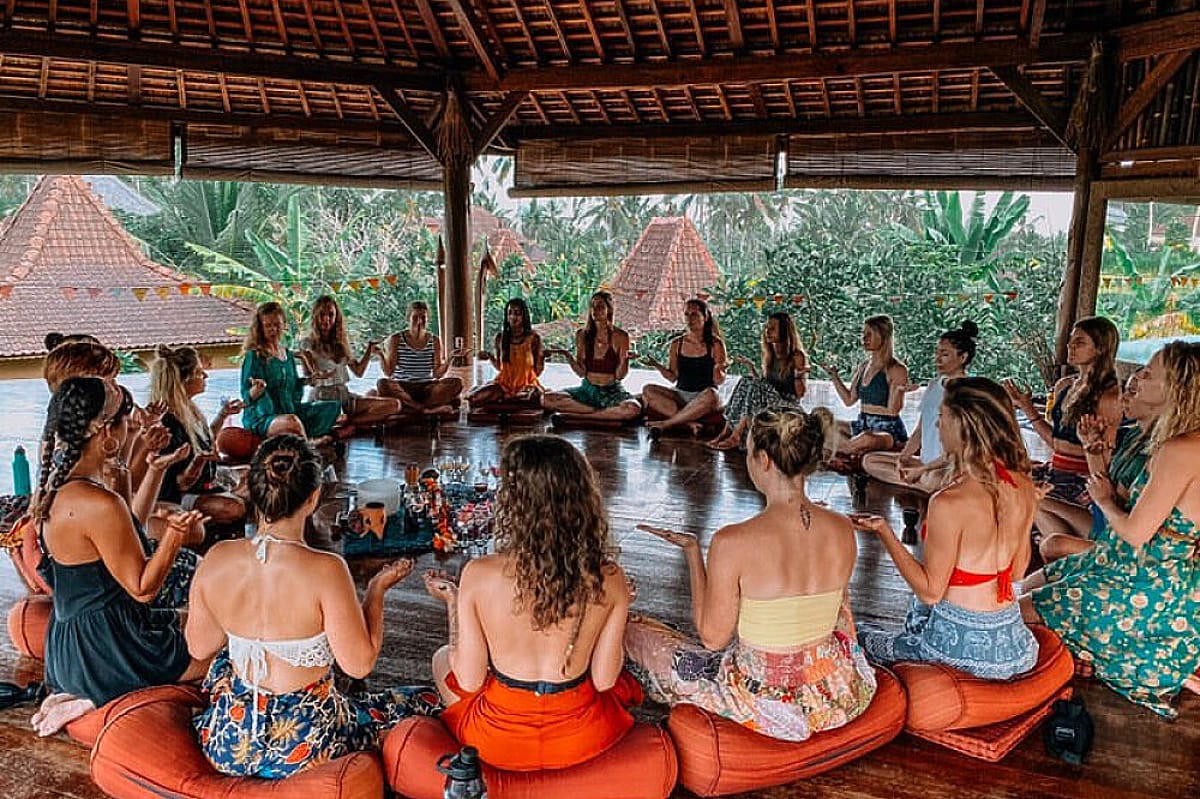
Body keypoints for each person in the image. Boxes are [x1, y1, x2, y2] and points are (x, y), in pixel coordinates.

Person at [188, 434, 440, 777]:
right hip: (304, 743)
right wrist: (377, 590)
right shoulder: (326, 569)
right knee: (422, 701)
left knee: (222, 663)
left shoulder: (216, 557)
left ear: (254, 490)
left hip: (229, 741)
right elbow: (359, 664)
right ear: (313, 498)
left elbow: (199, 646)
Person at [624, 408, 876, 741]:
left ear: (764, 459)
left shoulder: (733, 541)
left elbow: (713, 638)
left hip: (765, 696)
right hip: (836, 691)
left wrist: (692, 554)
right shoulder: (843, 528)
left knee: (634, 634)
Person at [424, 435, 641, 771]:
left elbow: (468, 680)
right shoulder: (610, 577)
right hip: (581, 736)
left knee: (442, 658)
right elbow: (604, 681)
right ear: (583, 498)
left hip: (497, 741)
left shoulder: (479, 573)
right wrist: (617, 607)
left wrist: (453, 602)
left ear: (513, 502)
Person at [1022, 342, 1200, 717]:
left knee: (1017, 611)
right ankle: (1085, 647)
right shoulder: (1173, 441)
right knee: (1027, 588)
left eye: (1150, 373)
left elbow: (1135, 532)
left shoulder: (1181, 448)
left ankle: (1106, 651)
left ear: (1178, 388)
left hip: (1143, 580)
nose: (1136, 378)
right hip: (1122, 562)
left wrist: (1103, 499)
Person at [29, 377, 209, 736]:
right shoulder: (97, 503)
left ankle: (84, 694)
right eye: (126, 418)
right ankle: (100, 697)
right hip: (109, 650)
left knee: (194, 620)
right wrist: (175, 536)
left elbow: (129, 534)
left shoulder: (54, 489)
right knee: (223, 650)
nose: (133, 425)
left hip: (69, 646)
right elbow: (142, 588)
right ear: (106, 431)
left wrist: (134, 466)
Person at [853, 377, 1038, 680]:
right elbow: (1017, 573)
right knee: (918, 613)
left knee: (861, 636)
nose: (937, 426)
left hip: (959, 652)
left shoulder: (949, 502)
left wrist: (884, 531)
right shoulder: (1022, 484)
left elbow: (930, 592)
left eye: (942, 416)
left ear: (963, 426)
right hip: (1011, 649)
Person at [1036, 366, 1163, 562]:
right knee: (1034, 501)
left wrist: (1104, 498)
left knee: (1053, 544)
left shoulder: (1161, 449)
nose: (1122, 400)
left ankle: (1072, 563)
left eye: (1132, 393)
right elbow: (1103, 482)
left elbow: (1115, 503)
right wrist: (1091, 448)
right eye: (1125, 391)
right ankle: (1070, 561)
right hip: (1104, 522)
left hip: (1123, 538)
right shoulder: (1134, 434)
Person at [1005, 316, 1121, 508]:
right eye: (1070, 341)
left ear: (1101, 348)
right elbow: (1056, 442)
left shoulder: (1109, 396)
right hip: (1055, 470)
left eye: (1080, 342)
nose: (1070, 346)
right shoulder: (1065, 386)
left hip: (1080, 480)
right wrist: (1026, 406)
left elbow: (1106, 456)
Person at [861, 321, 979, 493]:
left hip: (947, 467)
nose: (937, 359)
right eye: (937, 353)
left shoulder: (967, 391)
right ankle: (917, 480)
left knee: (935, 479)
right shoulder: (933, 384)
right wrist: (904, 457)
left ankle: (920, 480)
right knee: (869, 461)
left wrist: (923, 470)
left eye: (945, 354)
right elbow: (920, 429)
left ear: (963, 357)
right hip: (924, 461)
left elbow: (959, 451)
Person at [149, 345, 247, 533]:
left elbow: (205, 441)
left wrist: (223, 415)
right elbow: (179, 484)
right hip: (180, 496)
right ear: (184, 380)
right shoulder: (168, 422)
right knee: (234, 507)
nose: (205, 377)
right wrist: (198, 462)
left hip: (205, 482)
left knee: (255, 474)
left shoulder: (190, 411)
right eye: (199, 372)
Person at [240, 301, 343, 441]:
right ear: (260, 328)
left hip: (290, 411)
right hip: (265, 418)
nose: (273, 329)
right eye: (268, 325)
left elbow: (293, 386)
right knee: (292, 421)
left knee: (333, 407)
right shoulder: (254, 356)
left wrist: (308, 380)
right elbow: (246, 398)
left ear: (283, 325)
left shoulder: (287, 355)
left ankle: (298, 435)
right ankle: (308, 445)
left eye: (277, 325)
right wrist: (255, 391)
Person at [707, 311, 808, 450]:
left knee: (753, 382)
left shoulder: (796, 356)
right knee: (746, 380)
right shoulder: (769, 355)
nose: (767, 331)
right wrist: (751, 367)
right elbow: (763, 385)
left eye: (772, 328)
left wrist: (798, 376)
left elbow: (800, 394)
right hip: (770, 399)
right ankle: (726, 432)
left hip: (787, 404)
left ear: (784, 331)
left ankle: (735, 435)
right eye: (766, 328)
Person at [298, 295, 403, 427]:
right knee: (376, 401)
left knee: (394, 404)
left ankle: (350, 423)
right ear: (315, 317)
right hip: (323, 399)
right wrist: (311, 366)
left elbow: (359, 372)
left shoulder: (341, 343)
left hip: (344, 396)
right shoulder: (308, 344)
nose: (326, 319)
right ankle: (352, 423)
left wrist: (369, 350)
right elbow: (310, 380)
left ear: (336, 317)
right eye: (322, 315)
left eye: (331, 315)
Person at [541, 291, 642, 424]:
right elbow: (581, 373)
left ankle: (577, 417)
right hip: (587, 390)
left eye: (600, 306)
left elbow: (619, 376)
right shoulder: (582, 335)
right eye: (592, 306)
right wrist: (566, 355)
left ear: (609, 309)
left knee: (633, 408)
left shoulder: (620, 336)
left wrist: (625, 360)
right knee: (546, 399)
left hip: (612, 391)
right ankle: (603, 415)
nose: (595, 310)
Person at [819, 314, 910, 457]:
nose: (864, 338)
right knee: (822, 425)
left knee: (865, 438)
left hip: (887, 431)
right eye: (863, 334)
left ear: (883, 336)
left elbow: (893, 411)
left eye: (869, 334)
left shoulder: (896, 369)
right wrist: (834, 377)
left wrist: (899, 391)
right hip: (862, 424)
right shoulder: (864, 366)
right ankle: (841, 448)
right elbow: (849, 400)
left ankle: (839, 449)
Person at [642, 298, 729, 437]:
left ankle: (665, 424)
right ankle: (688, 423)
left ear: (705, 317)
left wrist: (718, 369)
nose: (690, 319)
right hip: (681, 394)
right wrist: (656, 365)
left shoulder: (715, 344)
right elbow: (673, 378)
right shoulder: (677, 344)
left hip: (704, 396)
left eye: (694, 314)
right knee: (647, 390)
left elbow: (718, 381)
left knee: (712, 394)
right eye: (687, 314)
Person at [375, 301, 464, 415]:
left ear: (428, 320)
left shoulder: (434, 340)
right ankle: (426, 409)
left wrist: (449, 359)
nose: (419, 321)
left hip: (427, 387)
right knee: (383, 384)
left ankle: (409, 407)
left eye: (423, 318)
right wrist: (381, 355)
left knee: (456, 383)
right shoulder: (396, 339)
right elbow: (389, 372)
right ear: (408, 318)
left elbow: (437, 374)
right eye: (415, 317)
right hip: (402, 386)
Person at [467, 297, 545, 407]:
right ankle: (508, 399)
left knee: (531, 396)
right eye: (510, 313)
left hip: (527, 385)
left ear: (524, 316)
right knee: (474, 399)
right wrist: (489, 356)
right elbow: (500, 367)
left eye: (517, 313)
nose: (513, 317)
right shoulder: (501, 338)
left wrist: (542, 358)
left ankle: (508, 400)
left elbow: (537, 371)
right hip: (503, 385)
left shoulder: (533, 338)